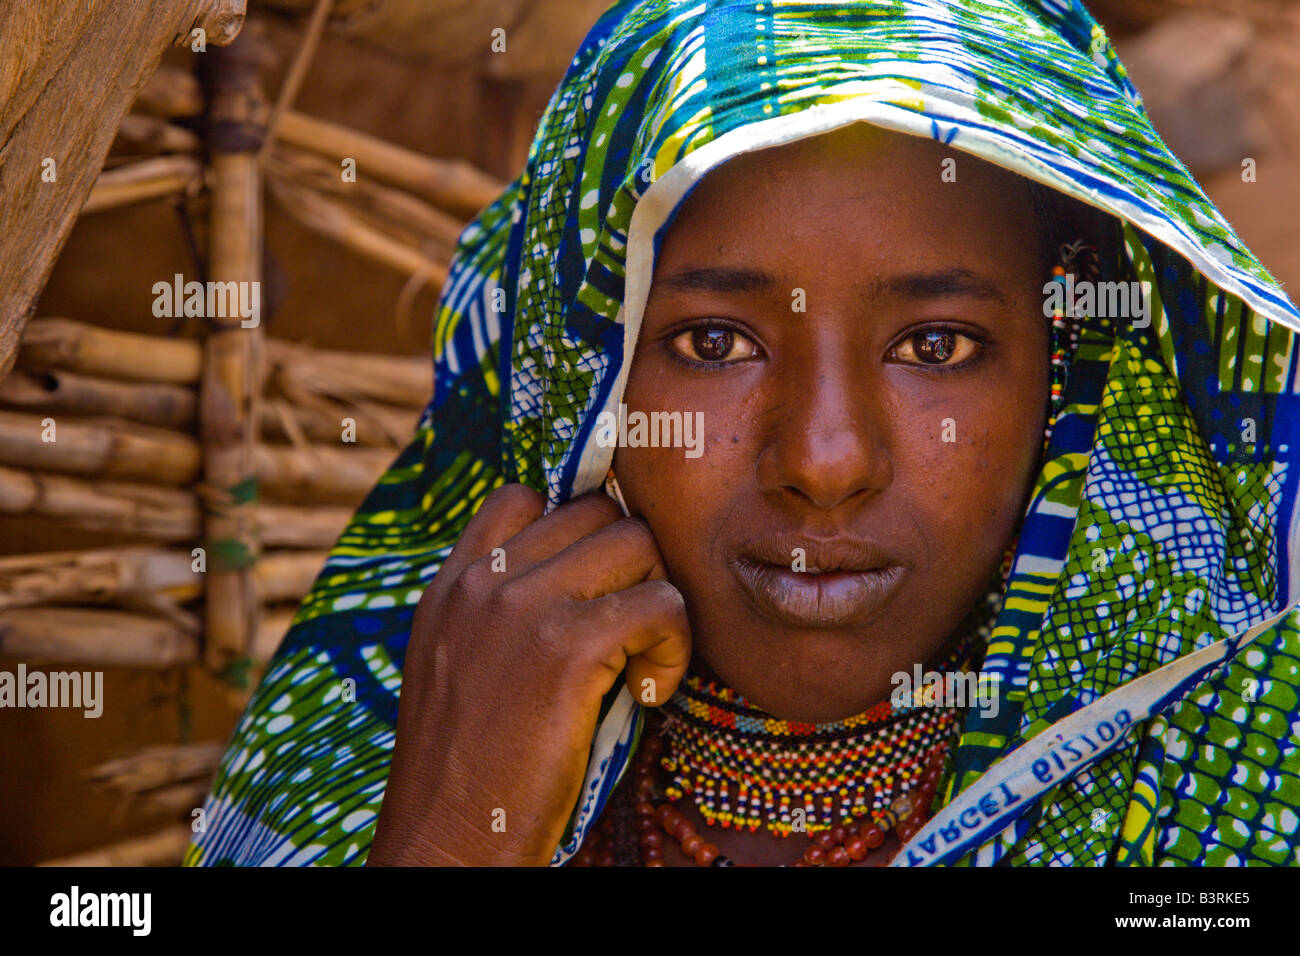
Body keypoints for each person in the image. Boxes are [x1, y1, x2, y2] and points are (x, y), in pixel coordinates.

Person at [187, 0, 1300, 868]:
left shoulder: (1238, 775)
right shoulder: (372, 756)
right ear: (582, 371)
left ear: (1069, 364)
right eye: (715, 343)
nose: (825, 463)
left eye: (936, 346)